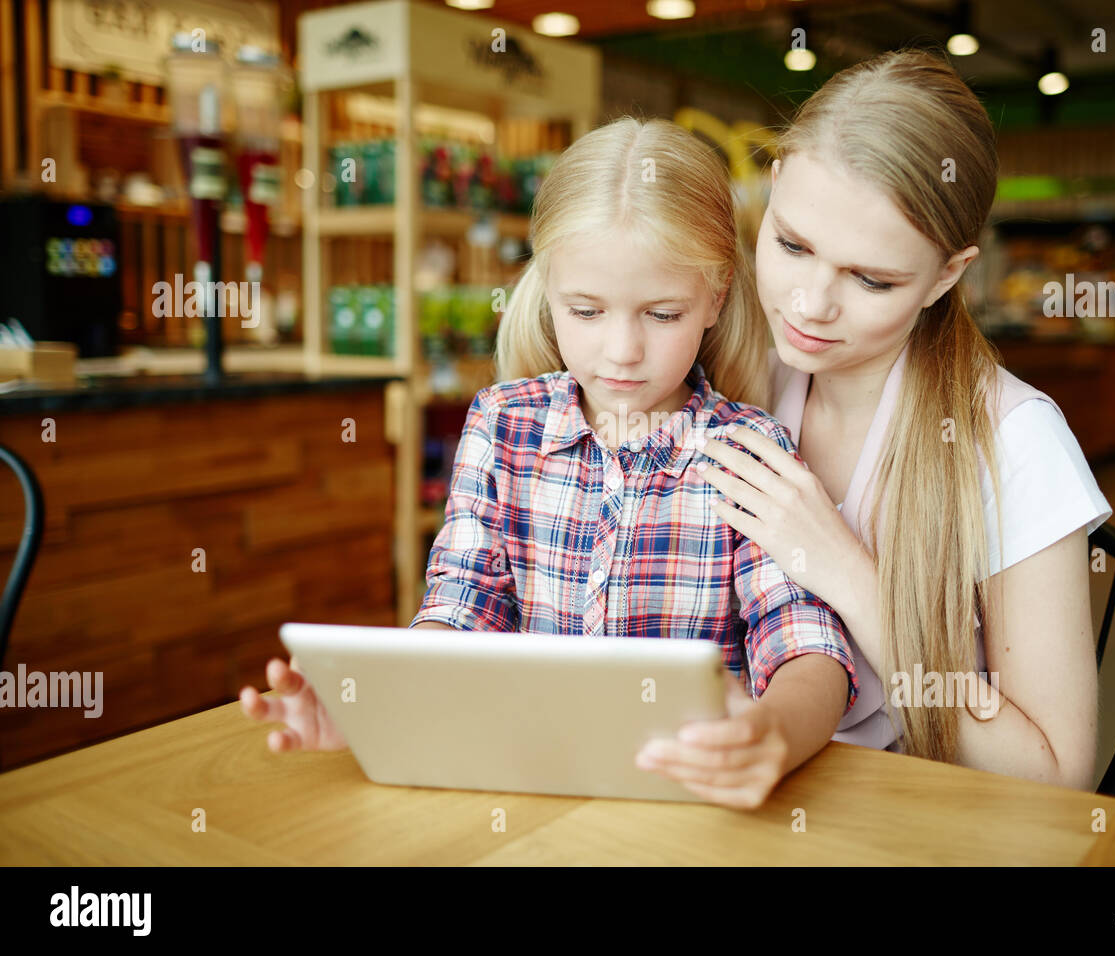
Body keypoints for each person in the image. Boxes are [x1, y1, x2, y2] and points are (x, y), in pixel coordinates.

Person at [241, 117, 859, 810]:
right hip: (525, 797)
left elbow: (806, 646)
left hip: (688, 805)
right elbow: (463, 607)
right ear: (548, 287)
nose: (621, 350)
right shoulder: (502, 425)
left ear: (715, 297)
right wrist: (380, 711)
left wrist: (770, 733)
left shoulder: (750, 450)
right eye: (587, 310)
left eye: (661, 314)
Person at [697, 50, 1111, 789]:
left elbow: (1055, 778)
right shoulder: (743, 376)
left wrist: (849, 575)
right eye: (791, 245)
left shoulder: (1015, 440)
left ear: (948, 275)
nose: (809, 304)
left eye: (871, 279)